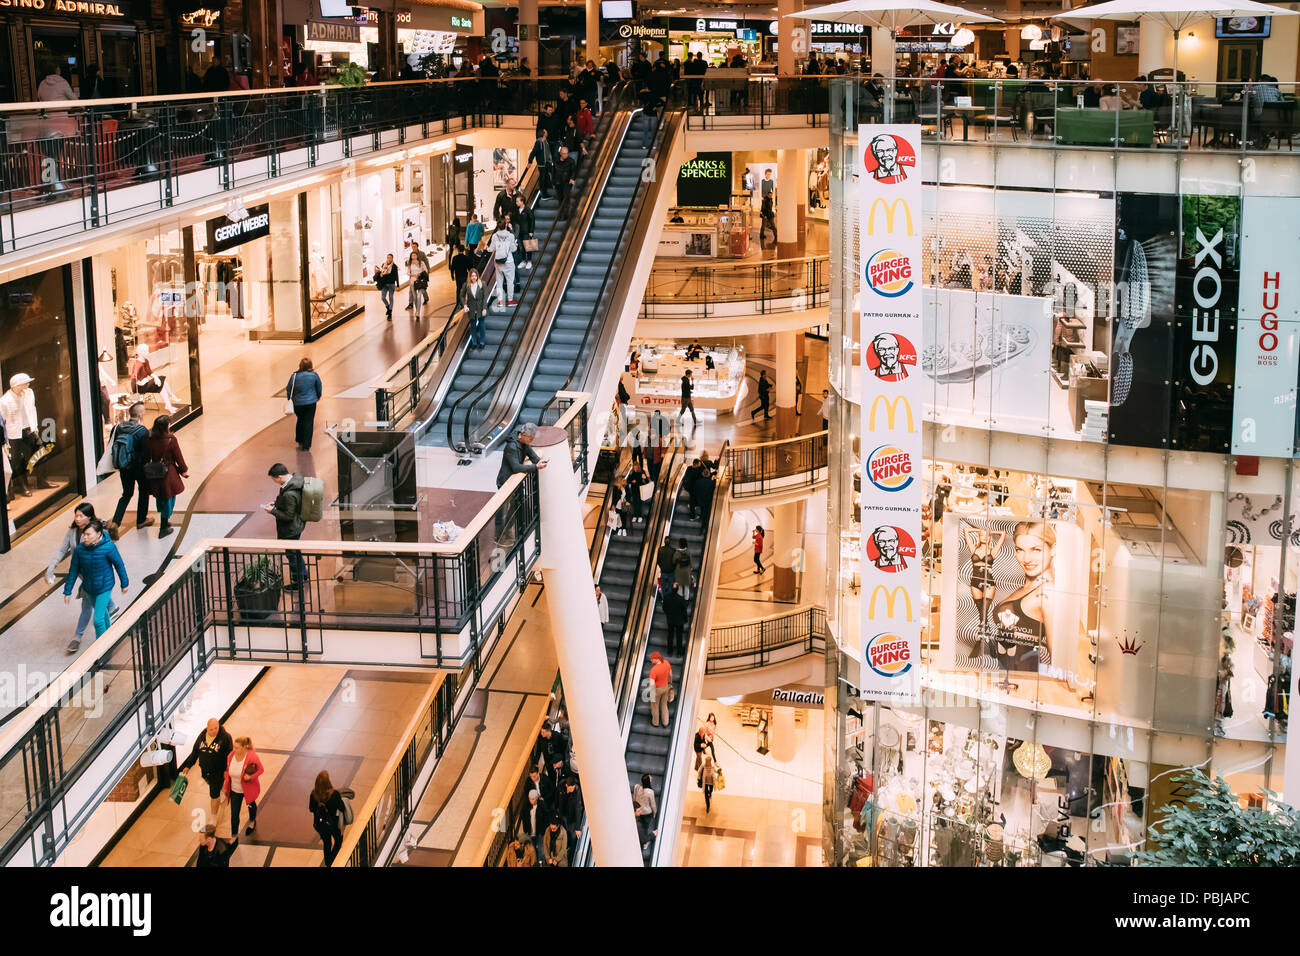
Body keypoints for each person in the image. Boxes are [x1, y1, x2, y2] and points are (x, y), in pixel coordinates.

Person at [48, 504, 119, 653]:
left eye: (81, 516)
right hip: (83, 574)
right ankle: (111, 609)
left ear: (89, 517)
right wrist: (52, 566)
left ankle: (79, 638)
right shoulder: (72, 531)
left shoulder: (99, 533)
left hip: (96, 576)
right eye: (76, 515)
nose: (77, 518)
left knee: (87, 606)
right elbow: (63, 549)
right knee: (97, 604)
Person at [60, 518, 127, 650]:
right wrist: (67, 591)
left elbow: (119, 565)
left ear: (98, 534)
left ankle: (101, 650)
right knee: (102, 614)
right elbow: (73, 570)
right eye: (84, 534)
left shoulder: (108, 547)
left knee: (98, 620)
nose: (85, 537)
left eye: (88, 534)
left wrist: (124, 583)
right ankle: (110, 636)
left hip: (104, 587)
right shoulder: (80, 550)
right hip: (88, 588)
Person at [106, 401, 152, 534]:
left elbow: (111, 446)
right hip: (138, 467)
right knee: (143, 491)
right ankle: (141, 520)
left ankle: (115, 522)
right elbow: (145, 454)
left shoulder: (118, 428)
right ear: (140, 415)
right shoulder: (142, 431)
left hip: (124, 467)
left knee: (126, 494)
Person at [179, 718, 234, 825]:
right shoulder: (202, 736)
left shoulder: (225, 737)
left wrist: (227, 770)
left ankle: (213, 816)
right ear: (207, 728)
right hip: (205, 770)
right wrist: (188, 766)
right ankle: (220, 790)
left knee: (213, 794)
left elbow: (229, 755)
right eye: (211, 729)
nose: (214, 731)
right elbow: (195, 751)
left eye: (216, 728)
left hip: (218, 770)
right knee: (212, 785)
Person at [142, 414, 188, 539]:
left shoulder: (149, 439)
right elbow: (179, 457)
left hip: (155, 472)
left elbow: (146, 456)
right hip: (169, 473)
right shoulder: (171, 439)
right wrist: (184, 470)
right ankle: (164, 524)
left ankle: (164, 520)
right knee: (169, 498)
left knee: (161, 497)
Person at [264, 463, 306, 588]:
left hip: (291, 529)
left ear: (280, 476)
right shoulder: (294, 481)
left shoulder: (289, 494)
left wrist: (272, 511)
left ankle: (298, 583)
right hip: (297, 524)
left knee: (292, 555)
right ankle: (303, 574)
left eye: (274, 479)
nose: (274, 482)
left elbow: (288, 516)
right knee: (296, 552)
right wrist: (277, 503)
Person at [223, 735, 263, 837]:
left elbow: (261, 770)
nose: (234, 750)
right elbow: (227, 771)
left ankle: (252, 821)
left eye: (237, 748)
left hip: (248, 789)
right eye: (234, 747)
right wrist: (225, 783)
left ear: (244, 747)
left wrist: (250, 777)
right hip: (234, 790)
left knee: (251, 805)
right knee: (234, 814)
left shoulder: (251, 756)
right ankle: (234, 835)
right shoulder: (230, 756)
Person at [309, 770, 346, 865]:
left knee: (327, 843)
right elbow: (342, 808)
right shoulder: (334, 794)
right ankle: (332, 861)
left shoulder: (314, 794)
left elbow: (311, 809)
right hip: (332, 824)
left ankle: (328, 863)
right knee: (338, 840)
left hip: (320, 825)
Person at [287, 358, 323, 451]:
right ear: (310, 366)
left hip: (297, 403)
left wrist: (289, 399)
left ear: (300, 366)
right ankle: (306, 445)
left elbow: (289, 388)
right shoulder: (314, 375)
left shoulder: (294, 376)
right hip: (310, 403)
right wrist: (318, 396)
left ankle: (300, 440)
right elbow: (319, 386)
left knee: (300, 420)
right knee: (308, 422)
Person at [488, 222, 518, 310]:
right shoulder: (511, 236)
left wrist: (486, 248)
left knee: (499, 282)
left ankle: (500, 301)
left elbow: (491, 249)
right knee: (510, 282)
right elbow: (513, 249)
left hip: (498, 262)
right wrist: (515, 246)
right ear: (505, 226)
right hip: (508, 261)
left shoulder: (494, 236)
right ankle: (510, 300)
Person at [462, 267, 489, 350]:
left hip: (481, 308)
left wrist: (484, 308)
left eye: (475, 276)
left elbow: (485, 297)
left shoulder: (482, 284)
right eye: (472, 276)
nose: (474, 277)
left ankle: (482, 342)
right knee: (473, 326)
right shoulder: (466, 285)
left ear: (477, 276)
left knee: (481, 325)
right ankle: (474, 342)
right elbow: (461, 296)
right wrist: (465, 305)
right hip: (471, 309)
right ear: (469, 277)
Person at [663, 581, 688, 656]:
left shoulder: (667, 597)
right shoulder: (680, 599)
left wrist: (668, 614)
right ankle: (679, 653)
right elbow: (684, 610)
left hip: (670, 619)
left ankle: (669, 651)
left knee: (670, 636)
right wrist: (685, 619)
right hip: (679, 621)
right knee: (679, 636)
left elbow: (664, 608)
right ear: (677, 590)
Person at [649, 651, 673, 728]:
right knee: (664, 705)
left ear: (656, 659)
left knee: (655, 706)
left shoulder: (653, 670)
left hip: (657, 690)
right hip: (665, 687)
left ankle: (655, 723)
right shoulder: (666, 663)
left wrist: (652, 695)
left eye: (652, 659)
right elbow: (670, 674)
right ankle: (665, 723)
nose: (651, 660)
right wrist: (670, 683)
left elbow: (652, 684)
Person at [633, 774, 657, 850]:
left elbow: (634, 798)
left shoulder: (636, 786)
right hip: (646, 813)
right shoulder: (650, 792)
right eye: (650, 778)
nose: (651, 778)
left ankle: (641, 840)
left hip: (638, 811)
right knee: (645, 828)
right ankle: (645, 842)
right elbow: (653, 804)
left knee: (640, 827)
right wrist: (655, 812)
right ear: (648, 782)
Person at [529, 125, 554, 198]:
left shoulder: (545, 141)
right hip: (542, 164)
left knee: (546, 177)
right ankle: (544, 194)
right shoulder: (539, 142)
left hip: (546, 163)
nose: (547, 132)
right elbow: (533, 152)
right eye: (545, 131)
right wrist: (530, 161)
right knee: (542, 178)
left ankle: (548, 190)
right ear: (543, 133)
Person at [406, 242, 430, 315]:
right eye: (412, 247)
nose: (413, 248)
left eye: (414, 246)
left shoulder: (422, 254)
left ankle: (426, 298)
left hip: (421, 277)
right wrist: (412, 275)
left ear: (417, 246)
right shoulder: (411, 257)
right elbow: (408, 270)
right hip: (413, 279)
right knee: (411, 292)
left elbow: (426, 263)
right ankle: (411, 304)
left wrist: (426, 274)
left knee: (422, 290)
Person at [373, 252, 398, 320]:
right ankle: (388, 307)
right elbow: (381, 272)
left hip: (391, 284)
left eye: (390, 258)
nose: (389, 259)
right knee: (383, 298)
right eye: (388, 257)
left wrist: (397, 285)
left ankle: (390, 313)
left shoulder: (394, 266)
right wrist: (381, 274)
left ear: (392, 258)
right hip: (384, 284)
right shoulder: (384, 265)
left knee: (391, 298)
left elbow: (396, 276)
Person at [514, 194, 535, 270]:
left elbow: (532, 220)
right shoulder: (517, 210)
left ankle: (529, 261)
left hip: (526, 232)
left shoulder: (528, 210)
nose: (516, 202)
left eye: (517, 201)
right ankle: (523, 261)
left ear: (522, 202)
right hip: (519, 232)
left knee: (528, 247)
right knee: (521, 247)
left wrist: (531, 231)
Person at [626, 461, 649, 525]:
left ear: (638, 467)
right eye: (634, 468)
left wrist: (645, 478)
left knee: (639, 503)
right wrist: (631, 481)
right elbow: (627, 481)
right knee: (635, 503)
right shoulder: (631, 473)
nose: (635, 469)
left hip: (640, 490)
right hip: (634, 490)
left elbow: (647, 481)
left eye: (636, 468)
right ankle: (635, 515)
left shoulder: (642, 472)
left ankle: (640, 516)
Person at [673, 537, 693, 603]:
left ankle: (680, 598)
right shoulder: (688, 551)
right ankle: (686, 599)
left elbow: (673, 561)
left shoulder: (677, 552)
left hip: (679, 571)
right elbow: (690, 561)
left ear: (680, 544)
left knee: (680, 586)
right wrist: (691, 568)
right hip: (687, 571)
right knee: (687, 585)